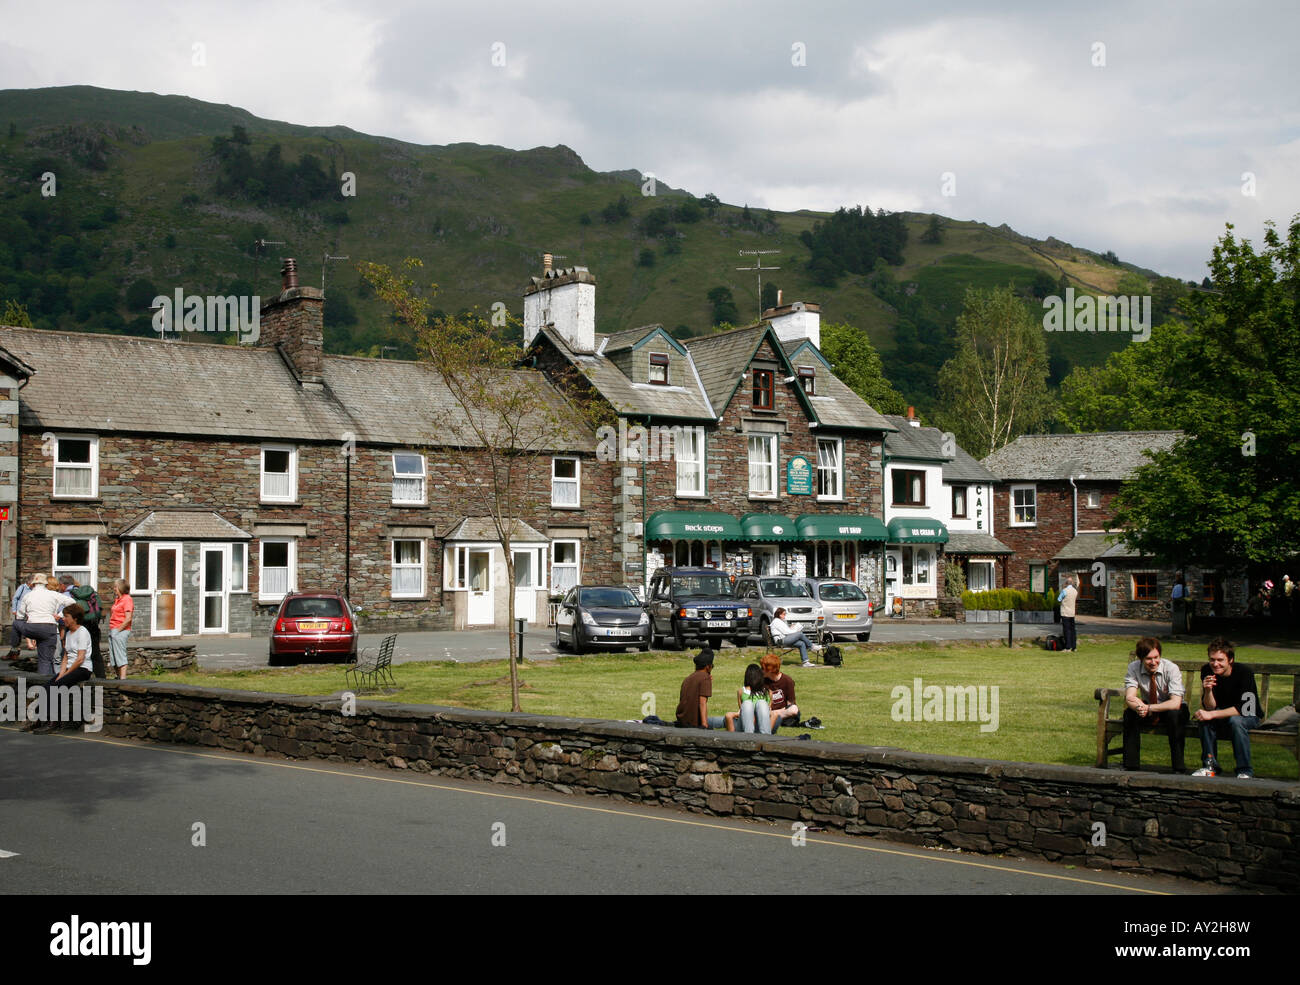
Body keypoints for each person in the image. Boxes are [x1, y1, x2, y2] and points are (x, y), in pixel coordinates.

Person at [1191, 637, 1260, 779]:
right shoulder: (1207, 670)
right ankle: (1209, 767)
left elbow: (1246, 708)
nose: (1215, 664)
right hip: (1221, 714)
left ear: (1230, 660)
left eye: (1220, 660)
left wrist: (1213, 714)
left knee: (1236, 721)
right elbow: (1210, 707)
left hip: (1248, 715)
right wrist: (1208, 690)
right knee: (1205, 720)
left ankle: (1244, 770)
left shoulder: (1244, 673)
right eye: (1212, 659)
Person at [22, 603, 92, 732]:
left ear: (75, 618)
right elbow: (65, 655)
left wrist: (66, 674)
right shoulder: (69, 633)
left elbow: (80, 658)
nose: (63, 619)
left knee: (55, 688)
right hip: (69, 668)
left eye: (66, 616)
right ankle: (38, 720)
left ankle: (53, 722)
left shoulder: (82, 632)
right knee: (45, 688)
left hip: (82, 669)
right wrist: (61, 673)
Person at [1122, 637, 1188, 773]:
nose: (1153, 662)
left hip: (1173, 708)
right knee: (1129, 714)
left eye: (1156, 657)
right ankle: (1131, 765)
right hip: (1148, 707)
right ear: (1141, 659)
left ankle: (1179, 767)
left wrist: (1149, 708)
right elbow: (1130, 696)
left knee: (1174, 715)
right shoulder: (1133, 668)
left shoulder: (1171, 669)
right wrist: (1138, 707)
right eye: (1148, 659)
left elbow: (1175, 703)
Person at [16, 572, 72, 676]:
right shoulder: (53, 594)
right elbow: (72, 602)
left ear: (33, 584)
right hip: (50, 628)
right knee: (47, 660)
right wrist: (60, 614)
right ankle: (48, 685)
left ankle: (14, 647)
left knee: (16, 623)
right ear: (45, 584)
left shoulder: (28, 595)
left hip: (33, 627)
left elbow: (20, 615)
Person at [60, 574, 104, 678]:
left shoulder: (68, 596)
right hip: (93, 627)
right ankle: (102, 678)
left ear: (62, 585)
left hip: (77, 627)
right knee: (96, 654)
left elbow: (65, 615)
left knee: (71, 653)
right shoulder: (90, 595)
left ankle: (68, 674)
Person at [674, 648, 727, 730]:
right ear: (707, 667)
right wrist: (704, 725)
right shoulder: (705, 678)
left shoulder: (688, 678)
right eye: (712, 666)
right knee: (724, 721)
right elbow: (702, 703)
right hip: (694, 723)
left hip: (682, 720)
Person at [724, 663, 773, 734]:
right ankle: (765, 736)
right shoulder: (769, 692)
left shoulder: (741, 691)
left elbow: (741, 711)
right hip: (760, 727)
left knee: (747, 704)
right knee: (761, 703)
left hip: (745, 727)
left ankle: (749, 736)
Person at [760, 652, 800, 731]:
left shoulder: (787, 681)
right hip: (767, 710)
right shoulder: (762, 681)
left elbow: (790, 704)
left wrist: (775, 712)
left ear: (770, 670)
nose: (760, 670)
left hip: (781, 712)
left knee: (794, 709)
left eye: (762, 668)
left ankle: (772, 717)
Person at [107, 578, 133, 680]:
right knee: (113, 656)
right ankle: (118, 677)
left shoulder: (127, 599)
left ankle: (123, 679)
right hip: (113, 628)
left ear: (120, 588)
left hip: (120, 630)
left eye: (115, 587)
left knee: (120, 655)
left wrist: (118, 631)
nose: (114, 588)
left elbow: (128, 618)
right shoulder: (118, 599)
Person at [7, 573, 34, 657]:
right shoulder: (22, 587)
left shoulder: (34, 589)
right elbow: (15, 598)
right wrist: (14, 609)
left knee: (28, 625)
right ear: (29, 582)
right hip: (20, 611)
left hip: (29, 611)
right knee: (21, 626)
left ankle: (28, 643)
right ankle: (27, 644)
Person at [1057, 575, 1078, 652]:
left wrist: (1063, 587)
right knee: (1072, 630)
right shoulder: (1075, 591)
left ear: (1066, 583)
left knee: (1066, 630)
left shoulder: (1064, 591)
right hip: (1072, 612)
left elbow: (1059, 599)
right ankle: (1074, 647)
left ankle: (1067, 647)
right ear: (1072, 583)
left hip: (1065, 612)